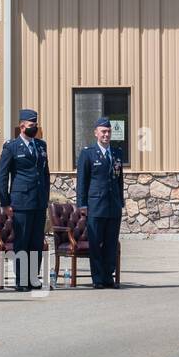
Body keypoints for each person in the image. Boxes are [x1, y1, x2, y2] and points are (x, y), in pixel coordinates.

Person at [0, 108, 50, 291]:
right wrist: (5, 203)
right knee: (23, 241)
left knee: (36, 241)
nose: (34, 127)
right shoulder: (11, 147)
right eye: (31, 125)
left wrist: (46, 198)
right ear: (22, 126)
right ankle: (21, 279)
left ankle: (33, 278)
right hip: (21, 200)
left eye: (35, 124)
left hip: (39, 201)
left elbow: (45, 174)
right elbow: (2, 176)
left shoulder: (40, 145)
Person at [76, 117, 124, 288]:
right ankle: (97, 278)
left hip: (113, 206)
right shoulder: (87, 153)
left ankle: (108, 276)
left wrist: (121, 202)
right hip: (95, 206)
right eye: (103, 131)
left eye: (109, 131)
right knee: (96, 243)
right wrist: (82, 205)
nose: (106, 134)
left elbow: (119, 180)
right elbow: (82, 181)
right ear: (96, 133)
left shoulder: (116, 153)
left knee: (111, 243)